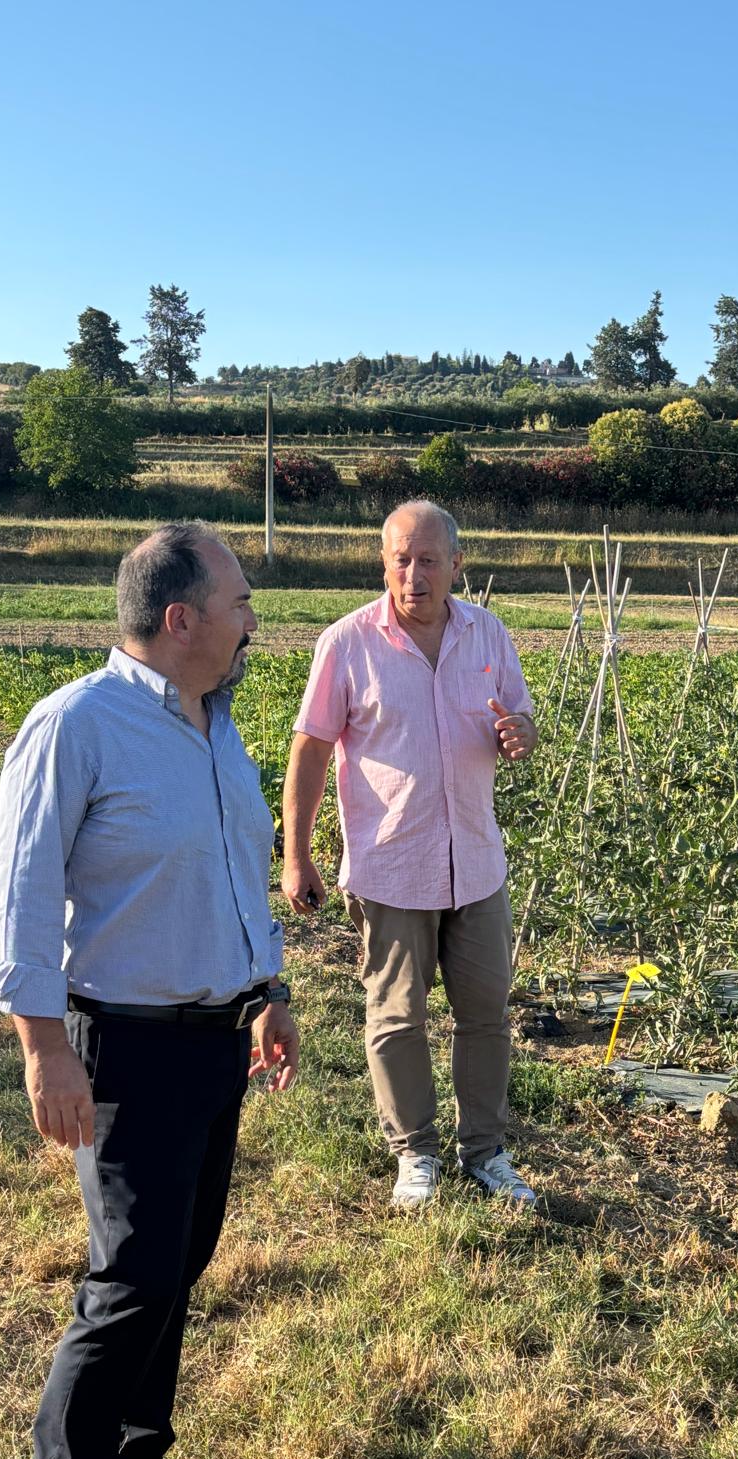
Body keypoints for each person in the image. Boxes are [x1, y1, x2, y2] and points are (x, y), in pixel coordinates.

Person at [0, 523, 299, 1459]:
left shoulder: (218, 728)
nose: (253, 621)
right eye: (240, 602)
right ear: (182, 618)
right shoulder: (77, 726)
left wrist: (268, 991)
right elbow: (19, 898)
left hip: (215, 1041)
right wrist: (44, 1051)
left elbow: (236, 874)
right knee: (131, 1279)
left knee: (182, 1259)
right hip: (123, 1046)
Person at [282, 499, 538, 1211]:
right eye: (401, 560)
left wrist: (521, 731)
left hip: (476, 864)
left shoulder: (488, 633)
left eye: (428, 560)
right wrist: (296, 855)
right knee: (397, 1017)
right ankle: (416, 1153)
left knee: (486, 1015)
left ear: (457, 564)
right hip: (392, 865)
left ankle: (485, 1151)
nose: (413, 575)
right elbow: (309, 752)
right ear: (383, 564)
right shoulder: (347, 643)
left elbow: (519, 716)